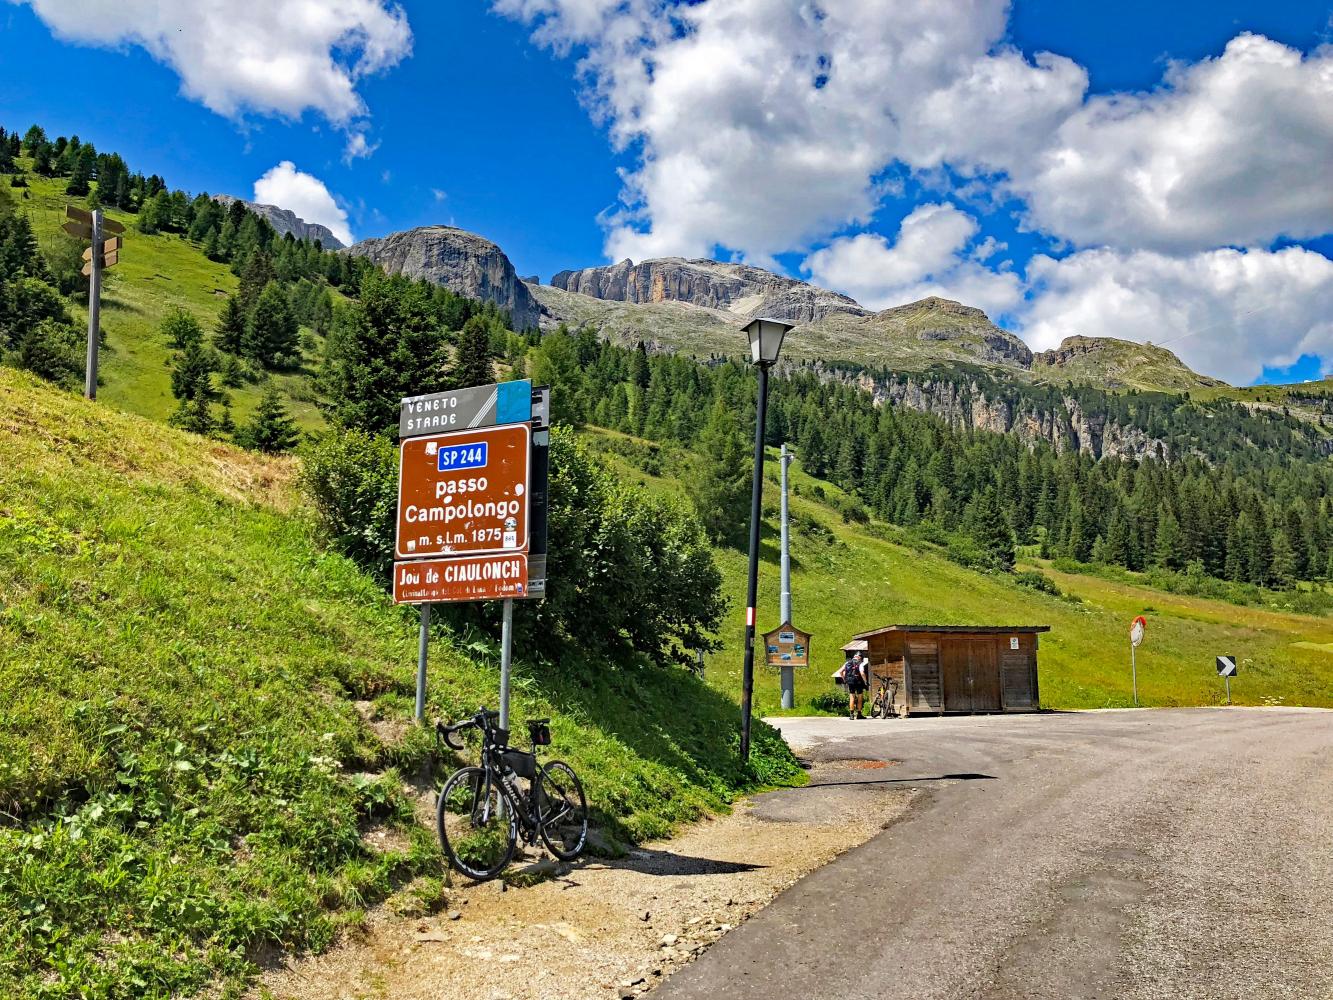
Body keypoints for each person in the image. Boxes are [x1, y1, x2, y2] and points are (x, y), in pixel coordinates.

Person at [841, 651, 869, 719]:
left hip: (850, 682)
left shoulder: (847, 662)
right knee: (860, 697)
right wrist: (865, 682)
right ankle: (859, 714)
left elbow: (841, 671)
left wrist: (844, 679)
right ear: (860, 657)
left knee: (852, 697)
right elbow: (862, 673)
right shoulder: (860, 664)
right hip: (859, 682)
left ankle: (851, 715)